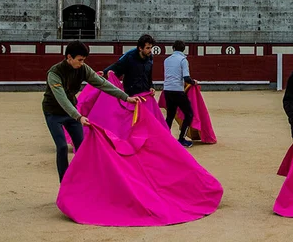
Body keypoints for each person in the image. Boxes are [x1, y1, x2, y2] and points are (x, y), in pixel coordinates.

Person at [42, 40, 140, 182]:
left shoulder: (83, 69)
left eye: (83, 60)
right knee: (62, 147)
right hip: (53, 113)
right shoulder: (54, 73)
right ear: (69, 57)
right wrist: (78, 116)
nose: (82, 63)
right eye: (79, 60)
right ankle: (64, 183)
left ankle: (83, 181)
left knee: (81, 148)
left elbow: (102, 83)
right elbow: (61, 98)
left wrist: (125, 97)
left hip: (71, 113)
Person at [163, 40, 196, 148]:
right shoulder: (183, 60)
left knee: (170, 115)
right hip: (177, 90)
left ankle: (165, 138)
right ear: (184, 49)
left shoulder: (167, 60)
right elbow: (186, 77)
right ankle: (181, 138)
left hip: (167, 90)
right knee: (189, 114)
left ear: (173, 48)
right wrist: (193, 82)